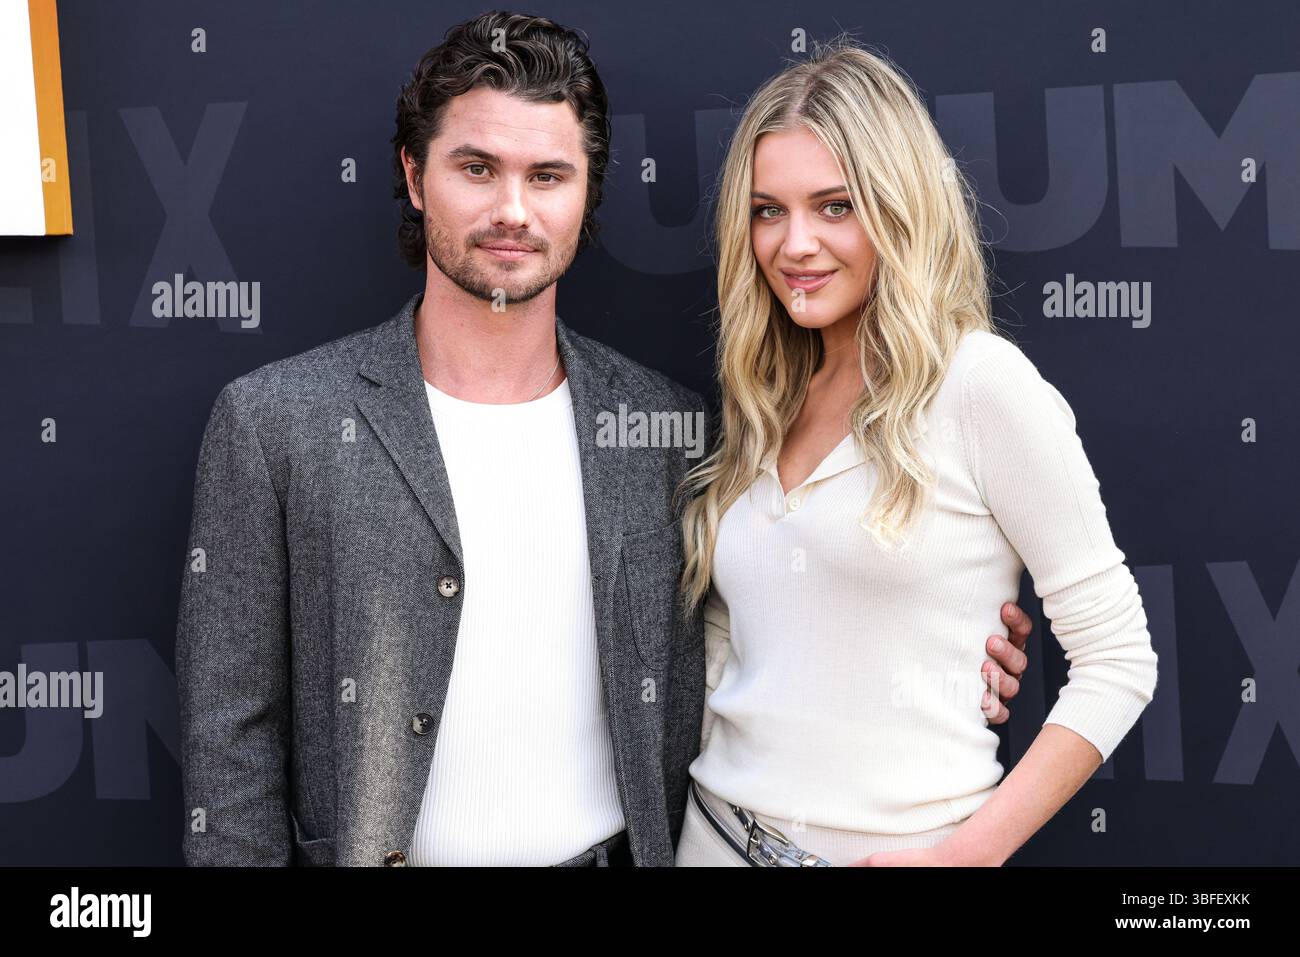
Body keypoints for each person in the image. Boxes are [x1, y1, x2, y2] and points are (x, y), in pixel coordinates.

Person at [175, 12, 1029, 868]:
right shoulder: (274, 422)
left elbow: (764, 631)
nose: (513, 209)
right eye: (477, 168)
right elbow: (230, 740)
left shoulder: (667, 431)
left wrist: (939, 647)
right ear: (414, 173)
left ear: (587, 194)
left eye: (548, 175)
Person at [674, 38, 1159, 867]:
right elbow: (739, 637)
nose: (794, 243)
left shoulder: (982, 386)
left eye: (835, 206)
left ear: (900, 208)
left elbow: (1119, 659)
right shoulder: (766, 393)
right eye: (768, 209)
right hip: (712, 838)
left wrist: (966, 856)